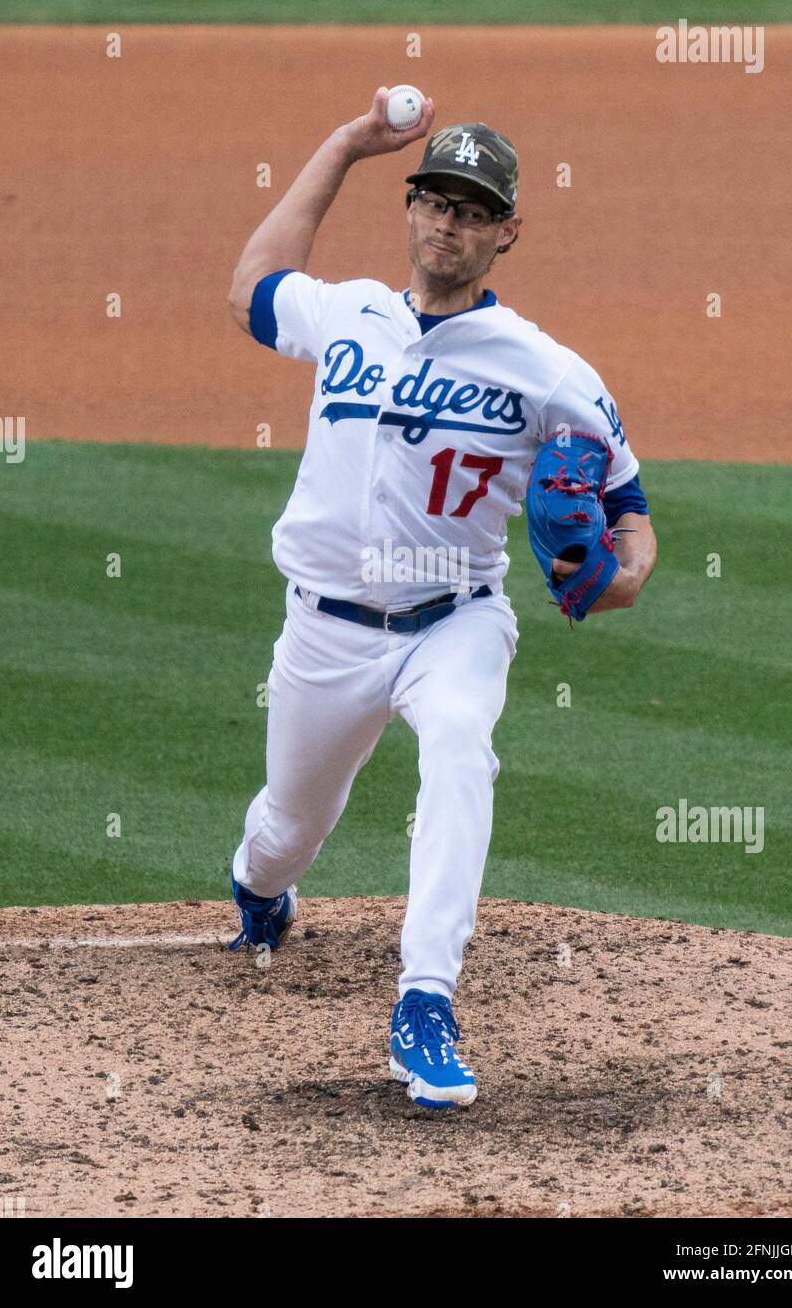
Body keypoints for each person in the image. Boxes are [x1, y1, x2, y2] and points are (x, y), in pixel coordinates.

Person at [226, 88, 657, 1109]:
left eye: (472, 209)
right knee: (287, 825)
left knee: (460, 745)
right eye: (434, 200)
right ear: (411, 207)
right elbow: (251, 285)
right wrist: (341, 145)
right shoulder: (348, 314)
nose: (447, 222)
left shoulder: (548, 371)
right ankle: (259, 890)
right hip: (323, 630)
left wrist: (618, 580)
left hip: (456, 621)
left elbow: (630, 516)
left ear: (507, 231)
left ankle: (424, 1001)